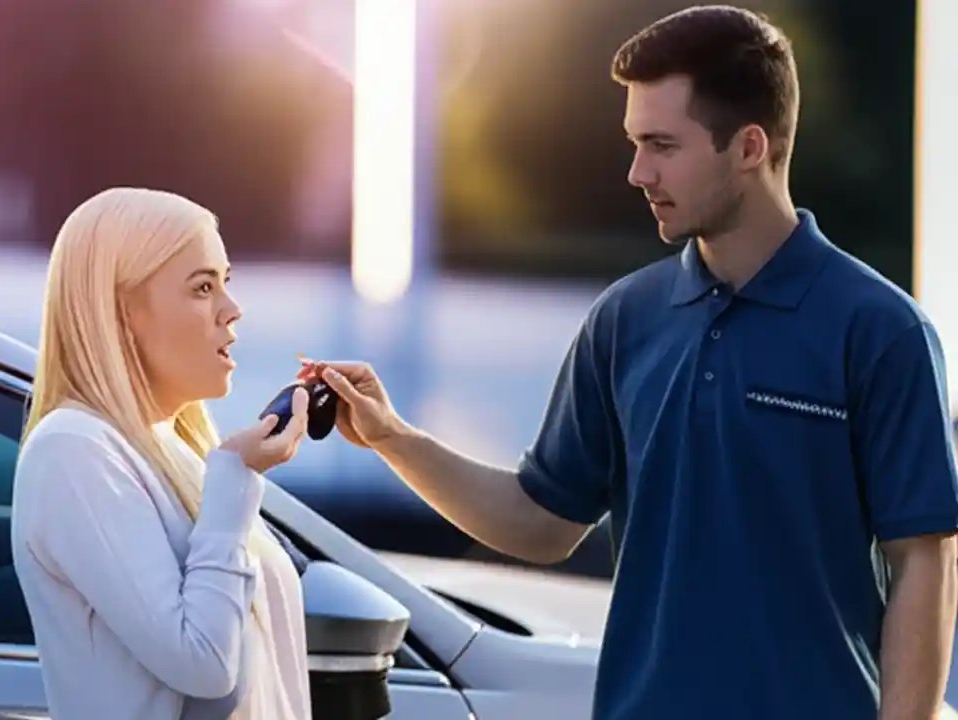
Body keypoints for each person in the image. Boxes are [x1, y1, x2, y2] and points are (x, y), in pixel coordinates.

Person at [301, 6, 958, 719]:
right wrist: (393, 438)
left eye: (662, 145)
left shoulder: (880, 331)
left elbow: (925, 562)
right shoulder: (626, 319)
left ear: (749, 147)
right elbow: (541, 522)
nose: (638, 172)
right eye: (635, 143)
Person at [12, 187, 313, 720]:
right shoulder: (73, 451)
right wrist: (236, 477)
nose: (232, 310)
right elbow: (203, 663)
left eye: (225, 282)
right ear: (124, 313)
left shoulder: (175, 448)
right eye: (202, 287)